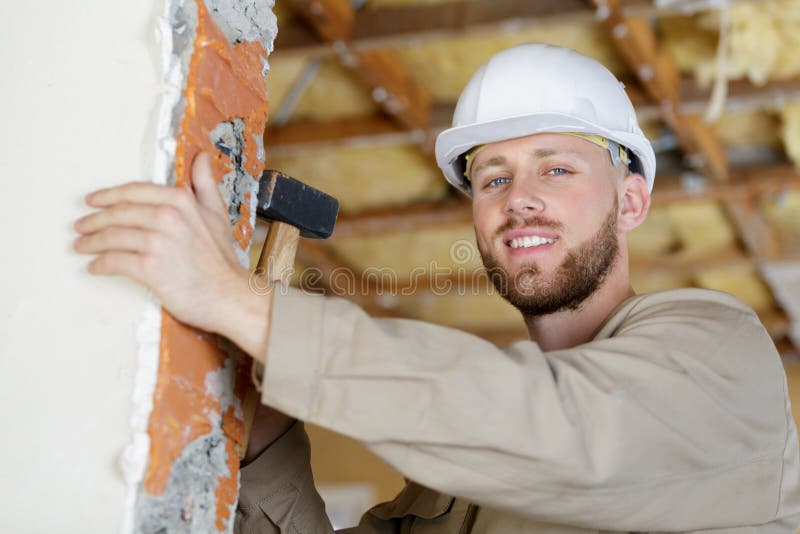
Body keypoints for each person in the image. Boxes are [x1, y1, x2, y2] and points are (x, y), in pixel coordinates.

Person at [74, 44, 800, 533]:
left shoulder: (718, 354)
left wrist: (238, 301)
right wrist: (265, 433)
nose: (519, 198)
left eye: (556, 168)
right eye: (493, 178)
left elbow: (553, 422)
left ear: (632, 202)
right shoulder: (458, 480)